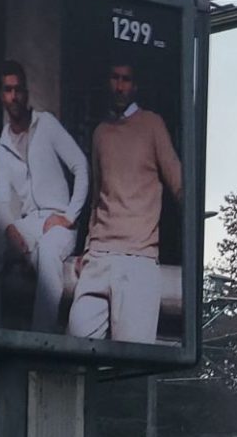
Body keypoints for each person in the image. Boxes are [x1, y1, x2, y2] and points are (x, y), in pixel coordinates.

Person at [68, 58, 183, 343]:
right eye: (114, 78)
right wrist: (86, 248)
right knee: (75, 343)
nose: (119, 86)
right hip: (99, 258)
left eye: (126, 79)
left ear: (135, 85)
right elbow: (98, 197)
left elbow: (180, 185)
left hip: (139, 260)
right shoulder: (100, 133)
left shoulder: (152, 124)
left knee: (131, 362)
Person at [0, 59, 88, 331]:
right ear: (1, 95)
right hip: (27, 223)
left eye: (18, 89)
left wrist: (70, 215)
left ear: (26, 92)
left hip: (58, 222)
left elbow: (81, 165)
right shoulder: (0, 147)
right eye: (8, 90)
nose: (14, 96)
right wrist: (12, 231)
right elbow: (1, 203)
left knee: (49, 253)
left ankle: (42, 338)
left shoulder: (47, 124)